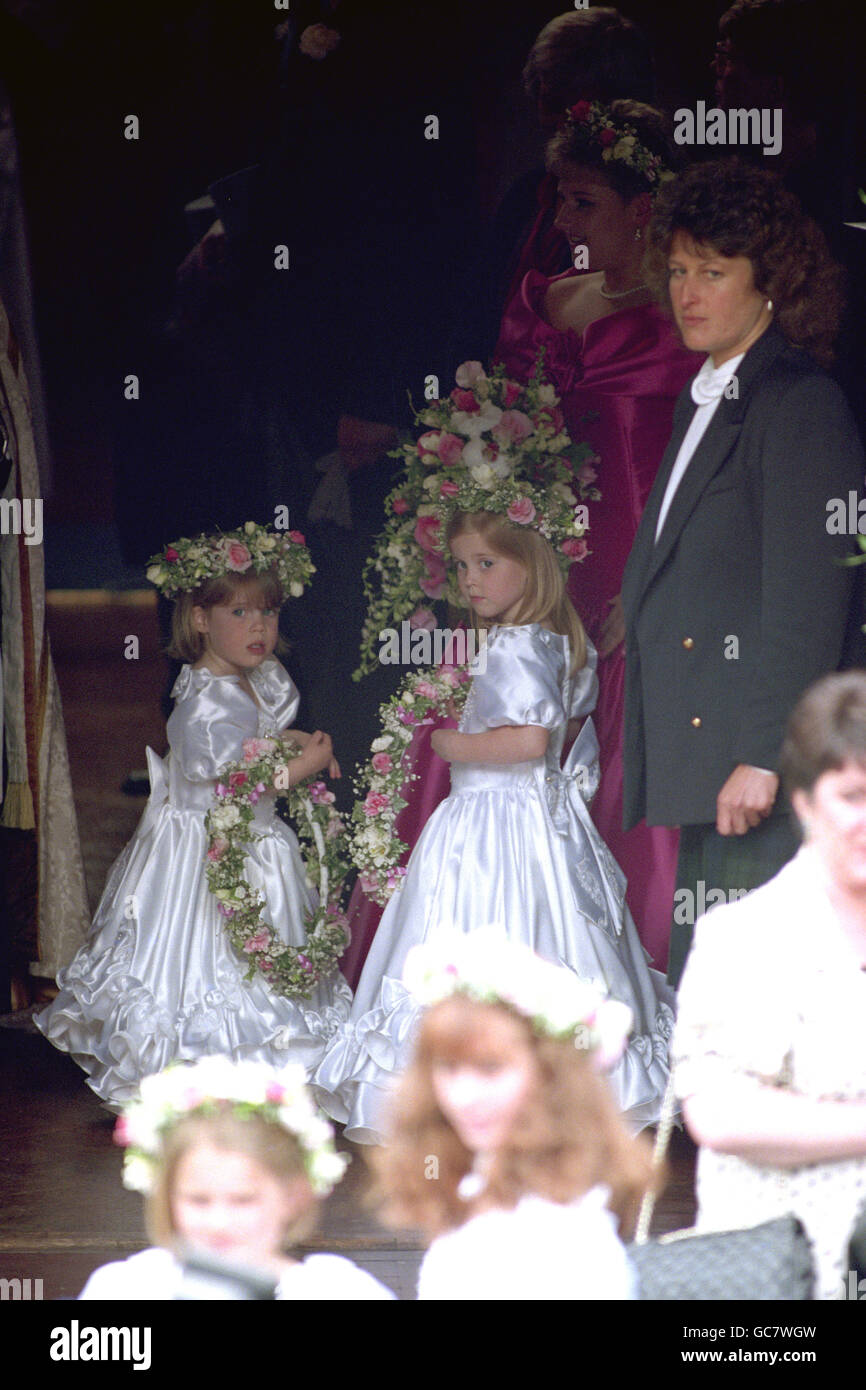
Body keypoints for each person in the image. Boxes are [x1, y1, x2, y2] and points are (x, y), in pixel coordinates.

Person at [316, 504, 674, 1144]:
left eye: (487, 564)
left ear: (531, 568)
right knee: (551, 937)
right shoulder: (555, 640)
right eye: (461, 566)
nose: (470, 580)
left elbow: (530, 741)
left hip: (494, 824)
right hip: (537, 821)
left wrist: (450, 745)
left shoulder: (513, 643)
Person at [621, 158, 866, 987]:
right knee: (717, 991)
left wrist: (765, 754)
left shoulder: (798, 404)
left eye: (714, 272)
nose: (688, 291)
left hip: (759, 767)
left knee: (759, 1001)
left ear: (773, 284)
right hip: (714, 757)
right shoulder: (709, 391)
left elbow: (809, 601)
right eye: (680, 270)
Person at [35, 524, 352, 1106]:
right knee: (201, 963)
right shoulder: (205, 700)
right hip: (208, 854)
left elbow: (256, 742)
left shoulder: (251, 681)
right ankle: (196, 1064)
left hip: (252, 842)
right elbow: (236, 783)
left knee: (264, 960)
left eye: (270, 613)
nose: (259, 628)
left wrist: (296, 740)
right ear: (200, 619)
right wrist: (304, 767)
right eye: (239, 612)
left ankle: (264, 1061)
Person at [496, 100, 700, 968]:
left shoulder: (689, 313)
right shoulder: (550, 300)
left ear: (642, 209)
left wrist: (661, 577)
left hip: (638, 569)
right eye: (562, 202)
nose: (563, 223)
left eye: (585, 205)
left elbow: (711, 469)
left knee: (623, 772)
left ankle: (637, 977)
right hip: (553, 569)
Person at [672, 672, 866, 1301]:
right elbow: (720, 1112)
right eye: (853, 795)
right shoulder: (745, 935)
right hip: (785, 1285)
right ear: (805, 802)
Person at [371, 932, 653, 1300]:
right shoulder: (473, 1180)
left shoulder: (565, 1233)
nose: (463, 1096)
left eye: (490, 1069)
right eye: (448, 1068)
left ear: (550, 1074)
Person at [79, 1055, 393, 1299]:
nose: (219, 1223)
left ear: (293, 1195)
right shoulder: (128, 1289)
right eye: (198, 1200)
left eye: (244, 1200)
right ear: (166, 1195)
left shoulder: (338, 1293)